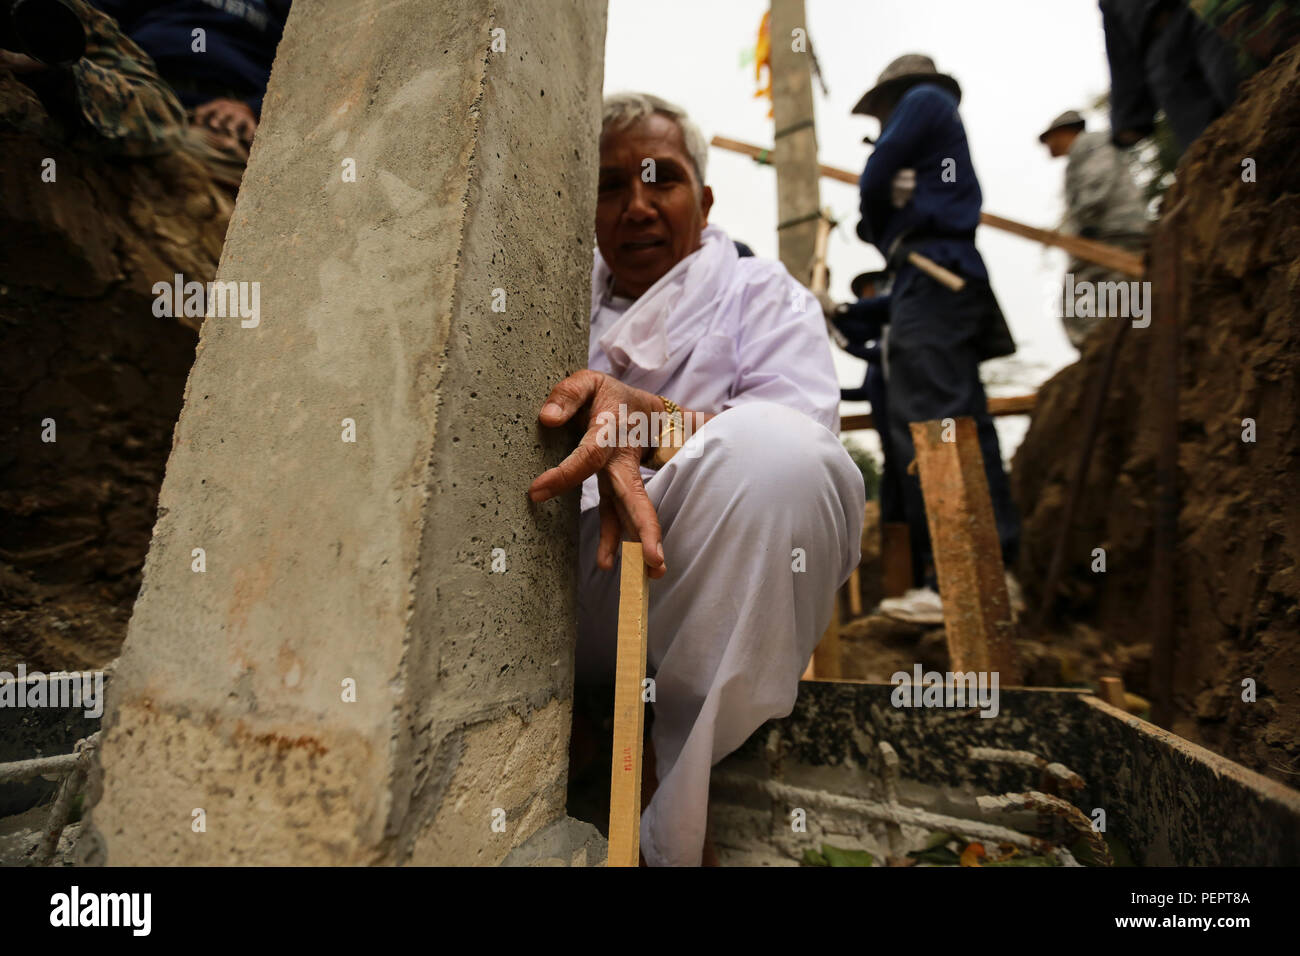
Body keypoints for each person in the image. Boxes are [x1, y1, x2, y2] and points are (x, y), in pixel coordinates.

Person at [528, 92, 864, 866]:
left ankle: (671, 797)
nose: (637, 206)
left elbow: (801, 437)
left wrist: (649, 426)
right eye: (611, 187)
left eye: (661, 180)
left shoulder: (763, 296)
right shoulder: (545, 289)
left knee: (783, 462)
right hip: (550, 588)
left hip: (679, 588)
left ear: (704, 201)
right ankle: (568, 713)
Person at [847, 53, 1019, 624]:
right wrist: (850, 314)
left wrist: (875, 222)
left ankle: (957, 581)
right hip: (939, 273)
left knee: (933, 422)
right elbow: (889, 310)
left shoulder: (923, 102)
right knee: (961, 418)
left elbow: (877, 179)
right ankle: (989, 578)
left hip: (934, 266)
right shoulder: (931, 130)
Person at [90, 0, 291, 184]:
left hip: (222, 120)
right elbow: (91, 18)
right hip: (137, 92)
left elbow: (303, 73)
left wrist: (254, 108)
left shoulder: (287, 9)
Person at [1039, 110, 1149, 349]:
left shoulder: (1089, 143)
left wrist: (1087, 223)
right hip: (1114, 231)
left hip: (1110, 233)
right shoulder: (1086, 149)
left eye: (1048, 139)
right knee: (1116, 292)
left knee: (1078, 301)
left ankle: (1104, 349)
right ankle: (1121, 344)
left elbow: (1098, 178)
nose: (1047, 147)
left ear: (1062, 132)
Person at [1100, 0, 1241, 153]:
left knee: (1237, 88)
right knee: (1203, 143)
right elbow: (1122, 55)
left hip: (1203, 12)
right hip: (1160, 54)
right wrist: (1127, 118)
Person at [826, 271, 905, 527]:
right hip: (890, 442)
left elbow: (869, 352)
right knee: (893, 496)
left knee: (909, 485)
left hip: (905, 433)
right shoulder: (876, 354)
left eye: (868, 290)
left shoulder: (895, 335)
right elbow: (865, 392)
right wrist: (828, 390)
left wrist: (838, 331)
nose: (864, 296)